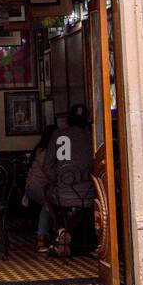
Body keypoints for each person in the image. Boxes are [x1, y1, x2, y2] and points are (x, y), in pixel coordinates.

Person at [42, 105, 95, 256]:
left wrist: (58, 180)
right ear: (86, 120)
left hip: (63, 193)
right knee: (82, 208)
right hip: (90, 194)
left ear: (68, 119)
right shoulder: (91, 136)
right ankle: (71, 233)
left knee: (47, 192)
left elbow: (48, 166)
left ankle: (61, 230)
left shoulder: (58, 135)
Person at [24, 124, 57, 253]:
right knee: (49, 204)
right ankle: (42, 238)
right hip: (36, 187)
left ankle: (54, 235)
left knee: (52, 203)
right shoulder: (46, 152)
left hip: (34, 186)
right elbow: (49, 172)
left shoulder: (40, 149)